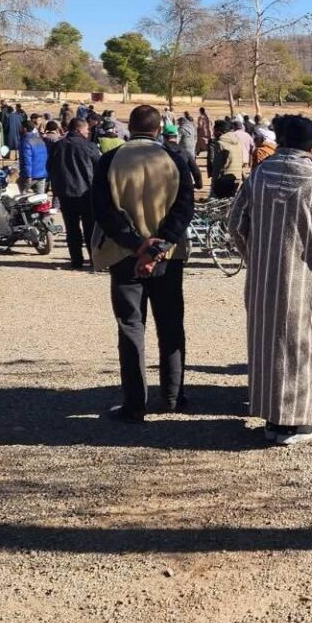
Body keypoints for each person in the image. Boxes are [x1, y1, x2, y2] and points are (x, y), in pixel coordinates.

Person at [230, 115, 312, 444]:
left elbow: (235, 224)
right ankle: (297, 423)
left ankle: (272, 420)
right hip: (306, 281)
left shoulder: (260, 174)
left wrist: (256, 257)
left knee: (267, 348)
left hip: (263, 281)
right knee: (301, 349)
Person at [92, 105, 195, 423]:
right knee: (171, 324)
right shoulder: (174, 159)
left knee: (131, 327)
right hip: (168, 257)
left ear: (129, 126)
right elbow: (185, 208)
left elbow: (104, 211)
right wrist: (160, 244)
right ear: (158, 128)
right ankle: (173, 396)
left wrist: (138, 245)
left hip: (125, 256)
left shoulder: (111, 160)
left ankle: (135, 404)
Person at [50, 118, 101, 270]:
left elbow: (50, 167)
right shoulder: (89, 146)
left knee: (71, 229)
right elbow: (98, 167)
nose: (88, 133)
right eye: (86, 130)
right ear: (79, 130)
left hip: (65, 193)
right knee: (90, 229)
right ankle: (94, 261)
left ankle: (76, 261)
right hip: (86, 193)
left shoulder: (58, 146)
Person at [210, 119, 250, 199]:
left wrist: (213, 181)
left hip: (224, 179)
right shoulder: (238, 141)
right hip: (237, 178)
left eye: (214, 131)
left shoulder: (220, 143)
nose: (213, 134)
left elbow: (217, 165)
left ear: (219, 132)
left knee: (221, 203)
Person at [18, 119, 49, 194]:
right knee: (40, 199)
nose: (19, 129)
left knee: (20, 197)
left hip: (31, 175)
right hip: (42, 174)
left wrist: (28, 175)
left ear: (24, 128)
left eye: (21, 127)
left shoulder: (25, 141)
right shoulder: (39, 139)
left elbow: (27, 159)